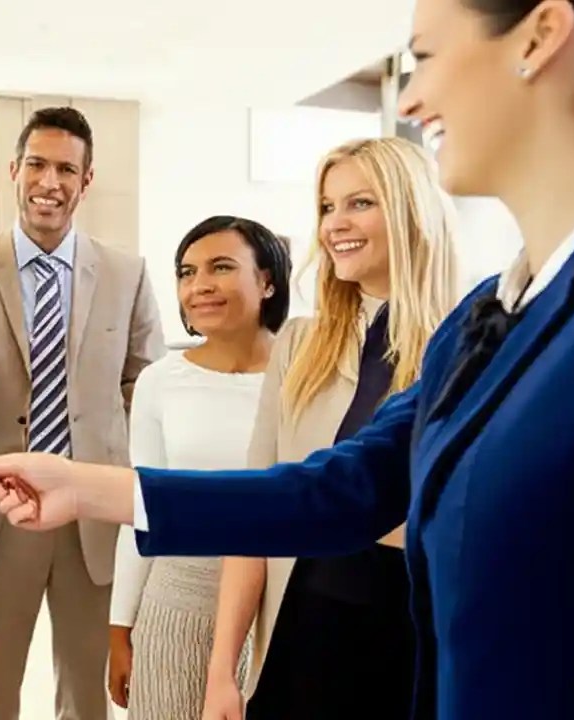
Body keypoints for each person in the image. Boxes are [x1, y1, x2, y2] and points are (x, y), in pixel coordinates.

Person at [0, 1, 574, 716]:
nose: (410, 98)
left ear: (540, 36)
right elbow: (333, 491)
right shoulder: (487, 316)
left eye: (428, 57)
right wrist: (86, 488)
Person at [203, 138, 458, 720]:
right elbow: (256, 513)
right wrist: (224, 670)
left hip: (417, 636)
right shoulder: (298, 344)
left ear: (410, 209)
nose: (335, 224)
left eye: (359, 203)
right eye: (326, 207)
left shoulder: (465, 343)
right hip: (305, 628)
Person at [0, 106, 165, 719]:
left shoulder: (127, 273)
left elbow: (146, 390)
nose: (50, 182)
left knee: (88, 695)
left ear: (87, 181)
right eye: (37, 164)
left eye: (67, 169)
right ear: (13, 169)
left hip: (93, 514)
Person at [107, 216, 291, 718]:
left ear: (267, 281)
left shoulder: (302, 374)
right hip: (175, 604)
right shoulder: (159, 382)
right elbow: (140, 509)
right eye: (187, 272)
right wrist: (120, 627)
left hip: (277, 608)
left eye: (221, 267)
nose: (199, 285)